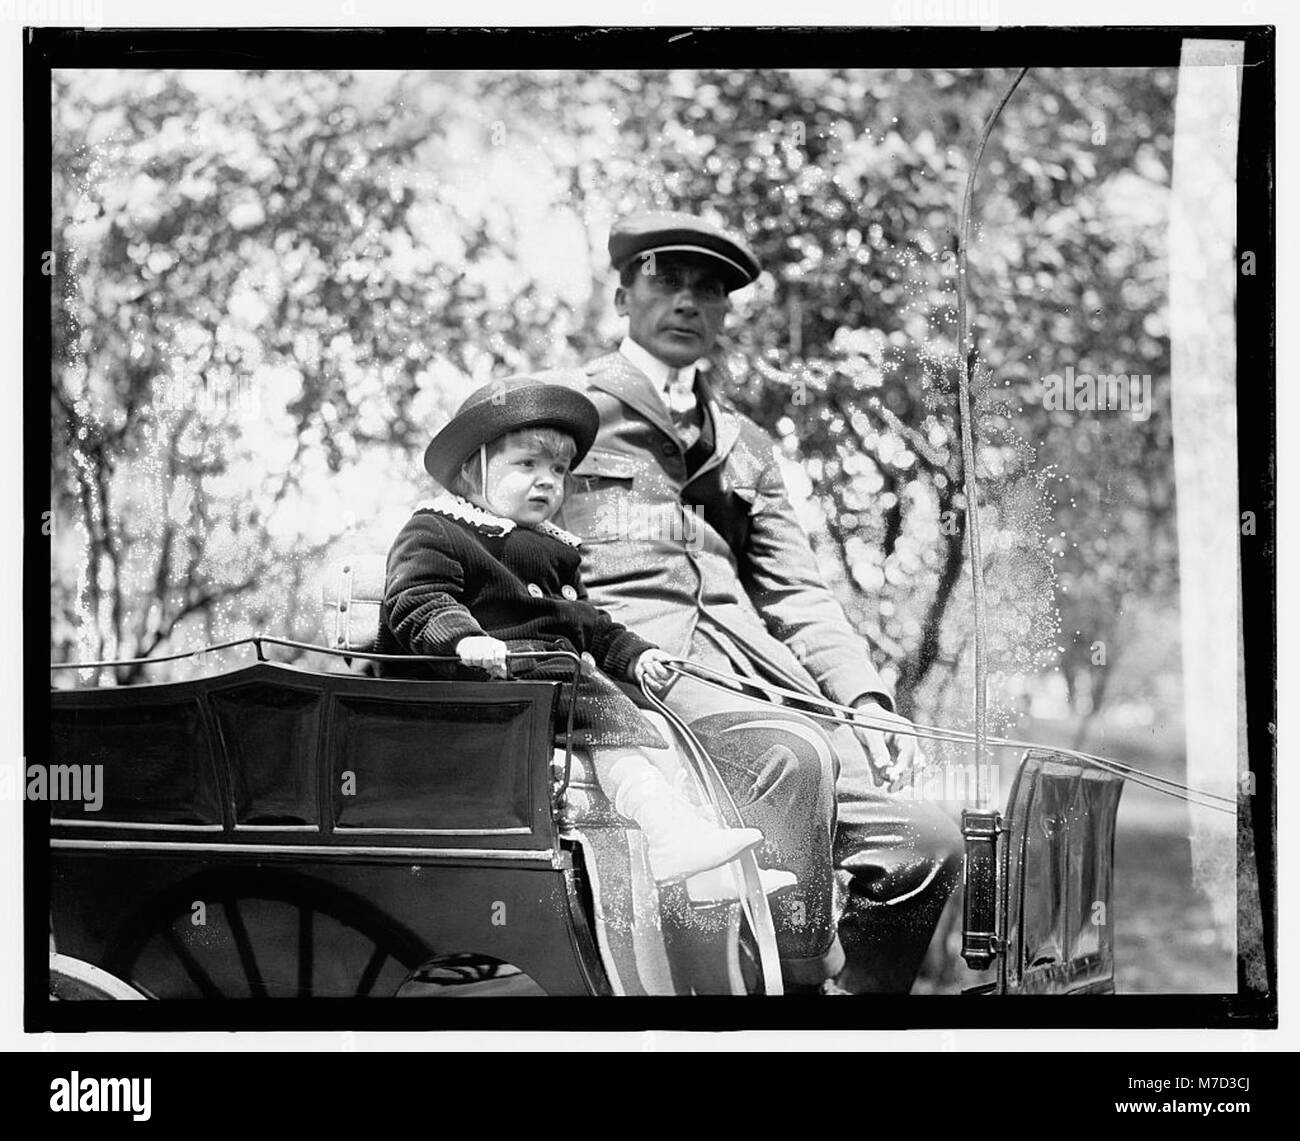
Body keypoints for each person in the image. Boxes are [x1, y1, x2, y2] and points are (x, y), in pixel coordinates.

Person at [549, 210, 964, 993]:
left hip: (760, 684)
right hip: (637, 676)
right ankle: (797, 998)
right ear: (621, 297)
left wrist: (869, 700)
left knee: (924, 842)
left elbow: (799, 591)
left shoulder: (747, 444)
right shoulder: (566, 411)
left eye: (709, 290)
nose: (687, 302)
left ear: (725, 313)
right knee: (790, 751)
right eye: (665, 280)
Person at [377, 374, 796, 904]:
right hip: (480, 695)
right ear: (471, 469)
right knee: (611, 722)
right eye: (526, 464)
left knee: (654, 736)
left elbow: (590, 626)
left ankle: (700, 858)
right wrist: (463, 640)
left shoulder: (555, 551)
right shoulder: (438, 530)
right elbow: (417, 600)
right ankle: (674, 842)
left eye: (558, 468)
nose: (548, 481)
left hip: (551, 689)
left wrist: (639, 657)